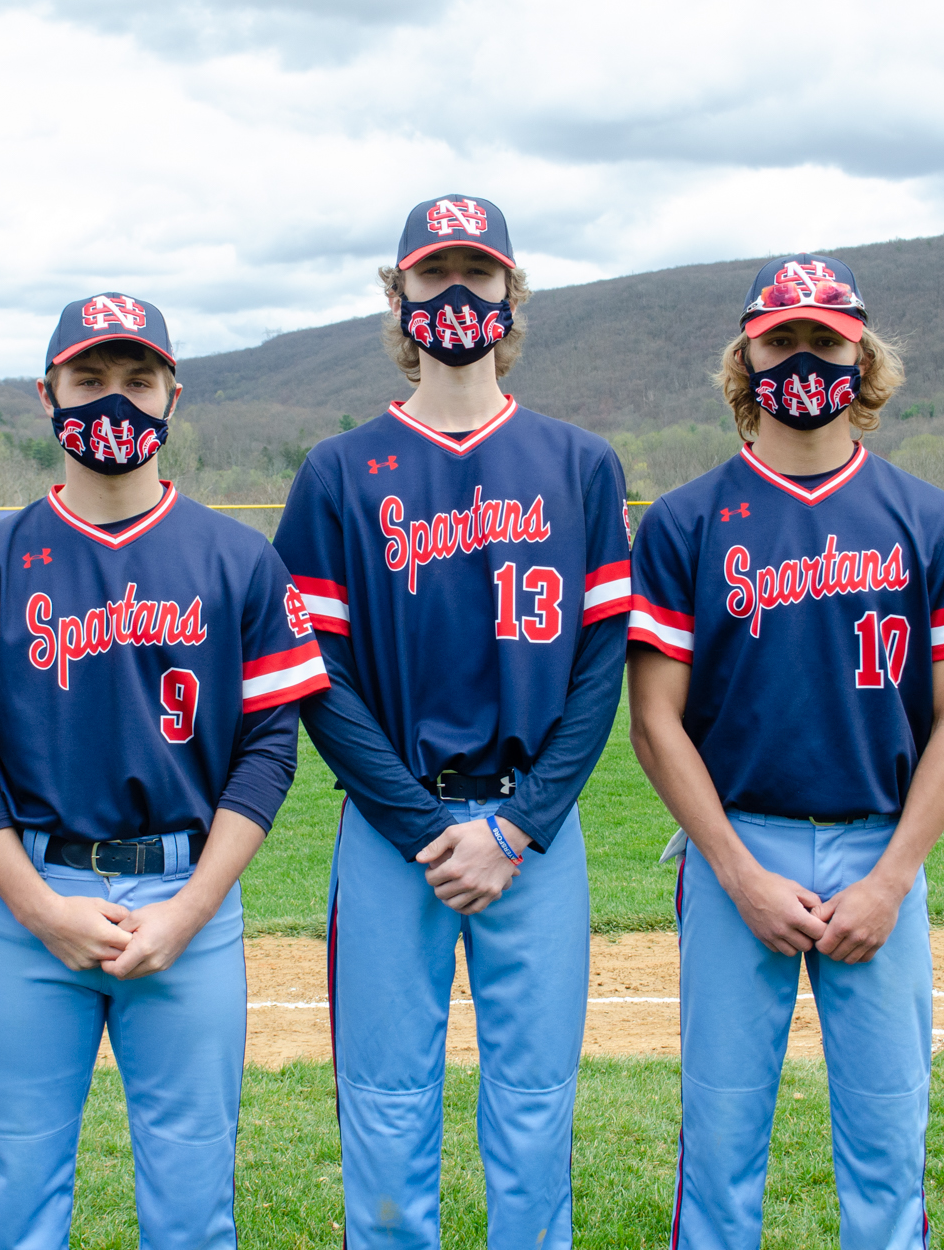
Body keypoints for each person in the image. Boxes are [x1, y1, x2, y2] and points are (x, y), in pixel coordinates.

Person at [625, 254, 944, 1249]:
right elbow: (652, 720)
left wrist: (891, 879)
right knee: (716, 1144)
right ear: (744, 358)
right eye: (779, 338)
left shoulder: (931, 521)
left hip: (877, 851)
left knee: (888, 1143)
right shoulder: (682, 522)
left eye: (823, 339)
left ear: (861, 357)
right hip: (734, 852)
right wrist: (735, 873)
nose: (800, 356)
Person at [0, 292, 329, 1249]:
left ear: (173, 397)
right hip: (36, 901)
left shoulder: (237, 559)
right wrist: (35, 906)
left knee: (193, 1209)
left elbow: (271, 747)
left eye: (137, 380)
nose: (115, 399)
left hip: (190, 895)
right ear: (48, 393)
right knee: (14, 1202)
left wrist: (191, 907)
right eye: (90, 379)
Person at [272, 196, 632, 1247]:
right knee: (384, 1106)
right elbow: (315, 678)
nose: (458, 295)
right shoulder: (338, 472)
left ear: (512, 294)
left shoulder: (578, 464)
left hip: (535, 836)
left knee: (533, 1108)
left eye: (479, 273)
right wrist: (423, 826)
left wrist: (517, 825)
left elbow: (597, 667)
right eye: (434, 275)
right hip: (396, 837)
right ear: (397, 297)